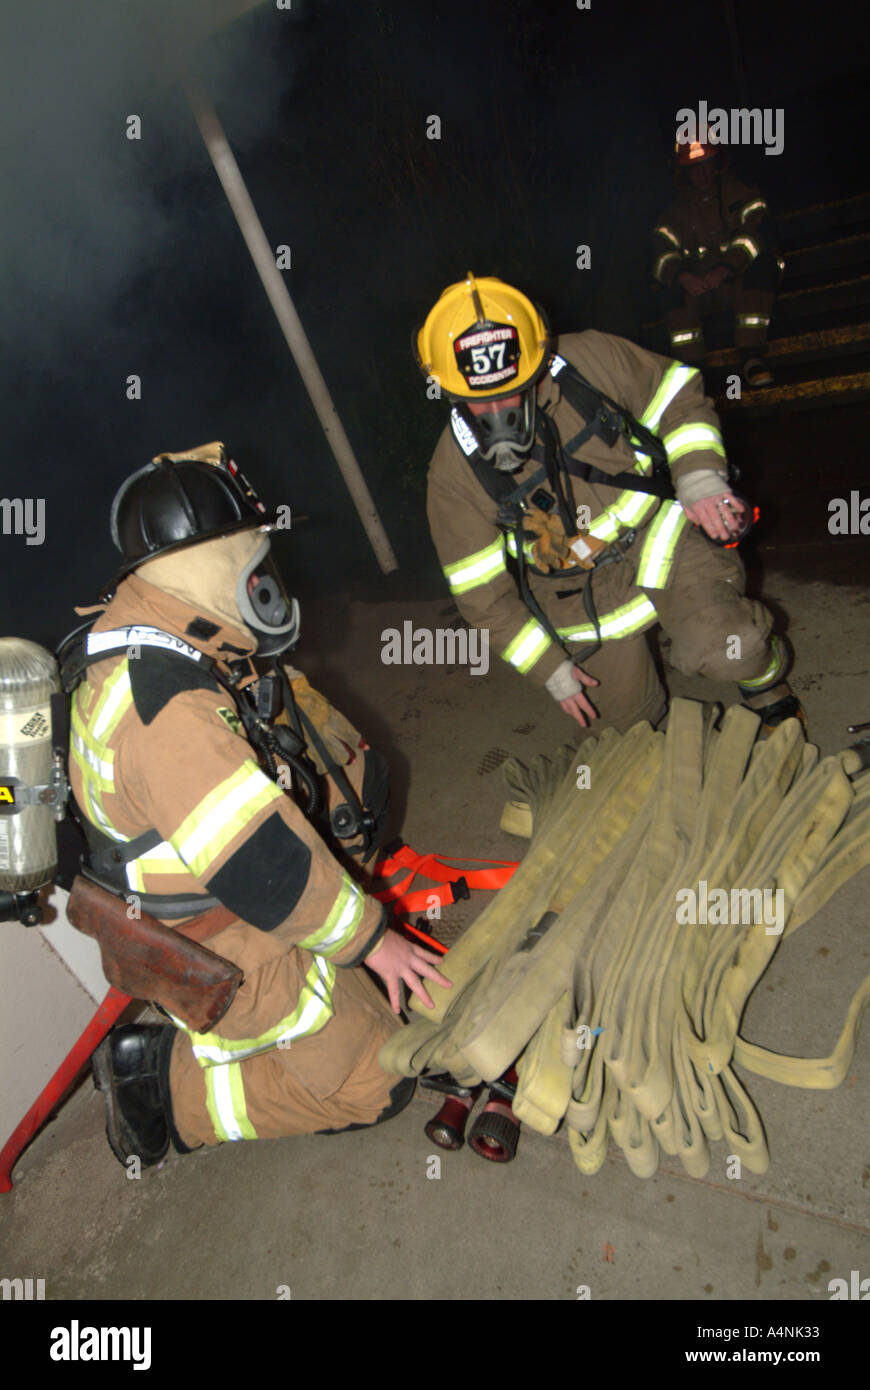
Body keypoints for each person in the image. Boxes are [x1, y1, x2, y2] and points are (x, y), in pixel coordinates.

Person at [65, 442, 448, 1165]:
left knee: (373, 999)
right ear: (213, 566)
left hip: (230, 899)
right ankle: (164, 1088)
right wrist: (373, 938)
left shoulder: (157, 626)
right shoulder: (164, 709)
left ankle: (309, 983)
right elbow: (263, 866)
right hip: (223, 940)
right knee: (379, 1078)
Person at [416, 273, 804, 735]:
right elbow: (481, 595)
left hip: (662, 542)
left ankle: (765, 683)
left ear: (538, 358)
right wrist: (549, 669)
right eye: (480, 400)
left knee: (729, 648)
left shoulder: (590, 362)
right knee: (626, 731)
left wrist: (699, 476)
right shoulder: (452, 473)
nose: (500, 412)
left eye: (514, 388)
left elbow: (678, 396)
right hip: (576, 593)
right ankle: (690, 722)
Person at [652, 140, 782, 388]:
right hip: (699, 290)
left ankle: (752, 356)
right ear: (683, 172)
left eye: (706, 164)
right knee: (669, 292)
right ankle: (693, 372)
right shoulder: (673, 213)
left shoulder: (742, 192)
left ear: (717, 163)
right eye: (693, 167)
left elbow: (757, 234)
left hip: (736, 281)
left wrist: (726, 267)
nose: (701, 173)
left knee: (762, 266)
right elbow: (660, 256)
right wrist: (682, 276)